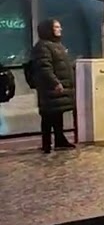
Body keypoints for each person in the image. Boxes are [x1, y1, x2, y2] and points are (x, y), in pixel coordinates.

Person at [30, 18, 75, 153]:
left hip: (58, 87)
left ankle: (59, 140)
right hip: (50, 88)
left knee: (57, 114)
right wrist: (55, 82)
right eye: (56, 27)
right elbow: (44, 67)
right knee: (48, 115)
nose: (60, 29)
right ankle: (47, 143)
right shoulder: (43, 47)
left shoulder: (56, 45)